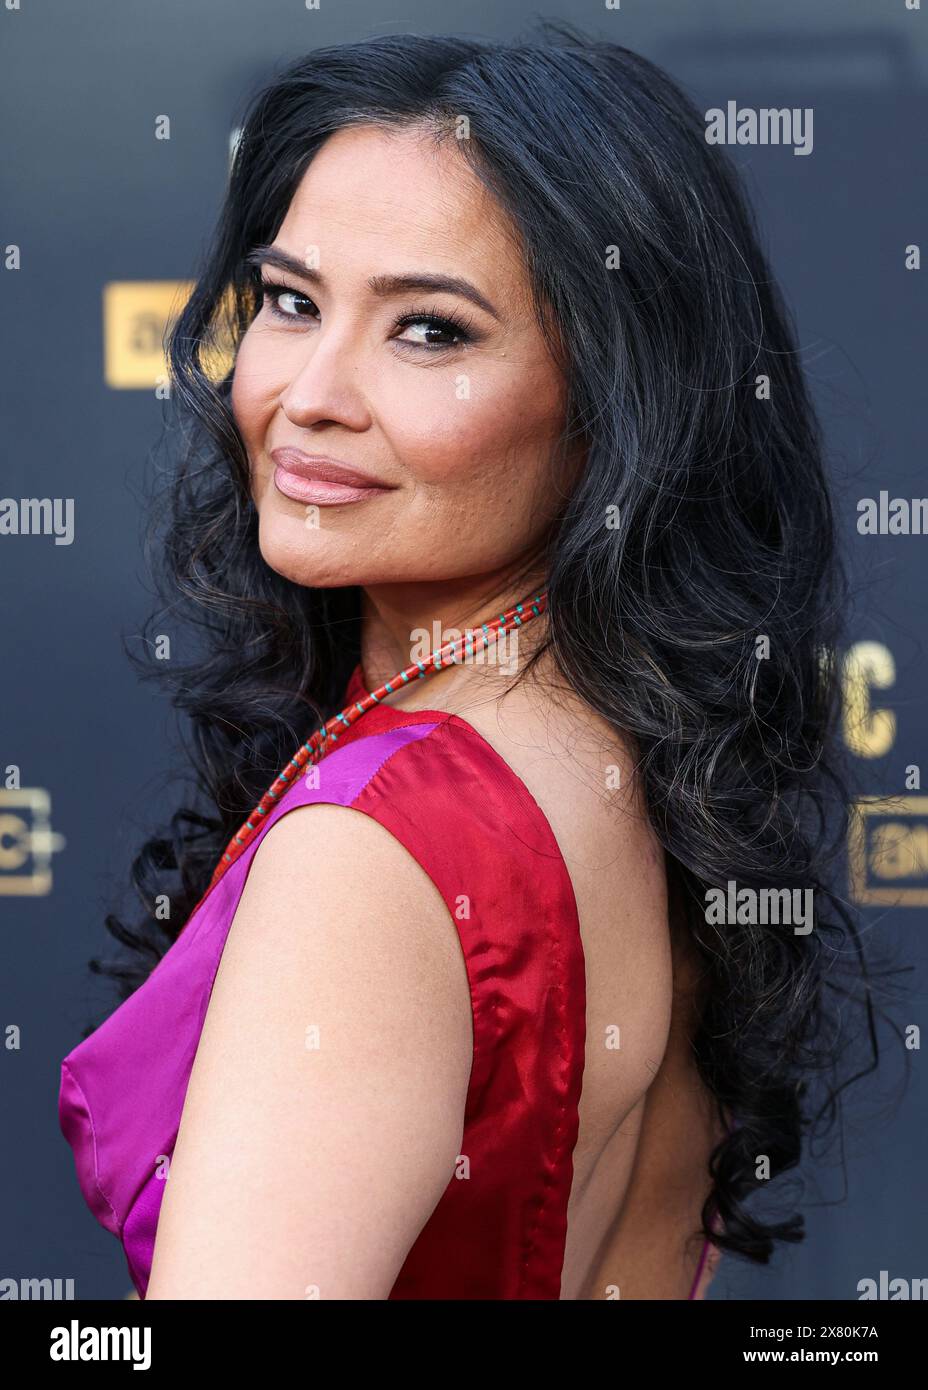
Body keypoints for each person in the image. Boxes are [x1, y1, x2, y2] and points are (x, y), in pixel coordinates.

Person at [59, 22, 877, 1300]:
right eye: (288, 302)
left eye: (430, 331)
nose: (309, 391)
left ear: (614, 402)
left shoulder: (376, 849)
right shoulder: (638, 758)